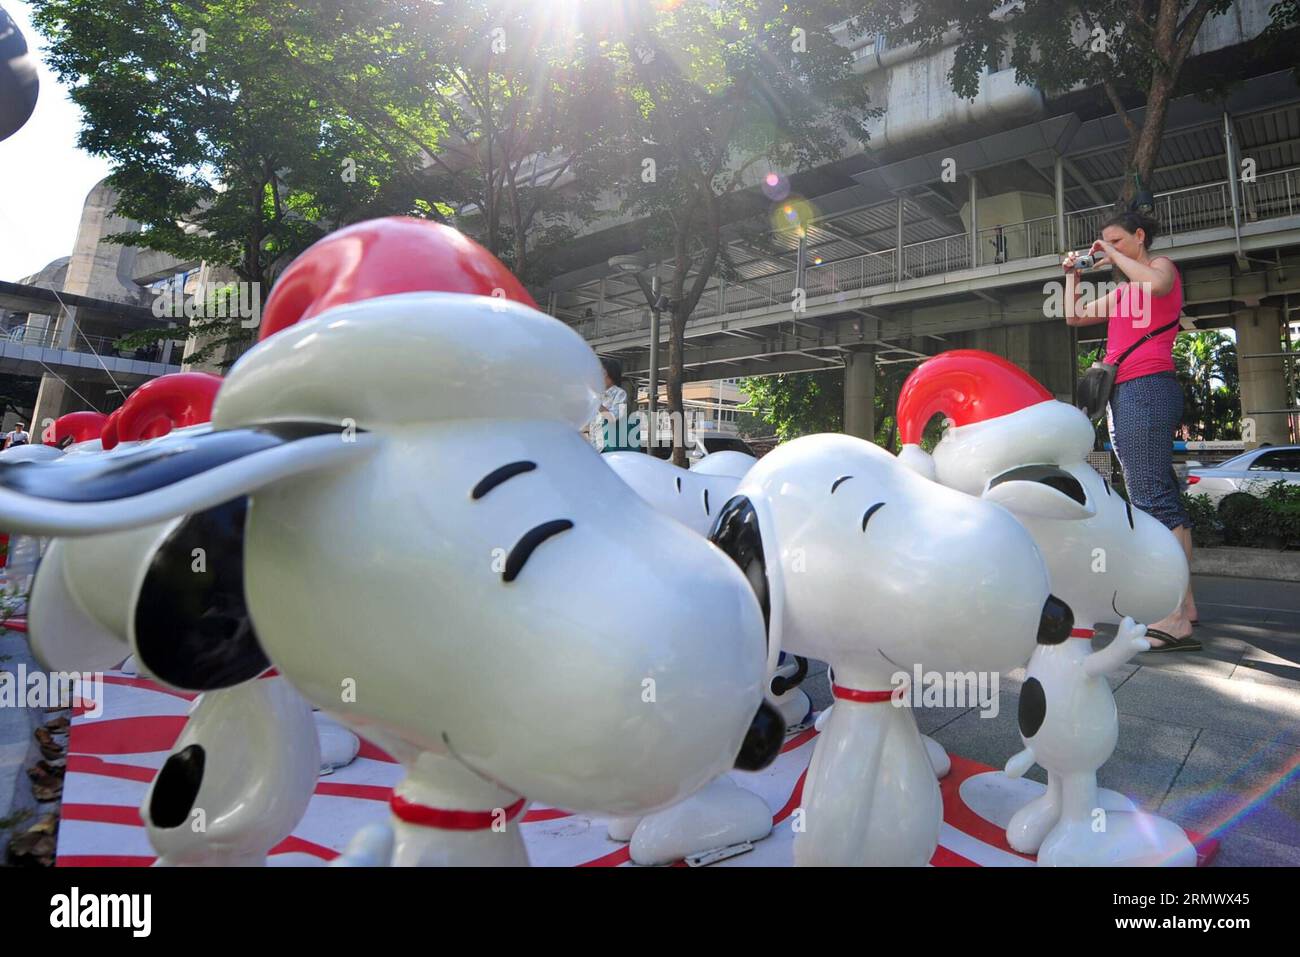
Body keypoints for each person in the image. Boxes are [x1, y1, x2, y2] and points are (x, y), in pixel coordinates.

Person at [1063, 211, 1199, 652]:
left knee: (1152, 499)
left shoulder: (1162, 270)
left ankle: (1175, 616)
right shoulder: (1124, 292)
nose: (1108, 250)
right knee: (1158, 493)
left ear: (1141, 238)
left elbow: (1157, 286)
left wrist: (1115, 260)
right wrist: (1072, 275)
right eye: (1103, 244)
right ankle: (1185, 605)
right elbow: (1075, 316)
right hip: (1125, 394)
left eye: (1117, 242)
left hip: (1147, 388)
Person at [588, 357, 638, 453]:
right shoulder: (597, 395)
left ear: (611, 374)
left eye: (602, 373)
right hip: (596, 448)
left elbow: (613, 417)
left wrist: (597, 404)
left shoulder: (620, 394)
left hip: (611, 447)